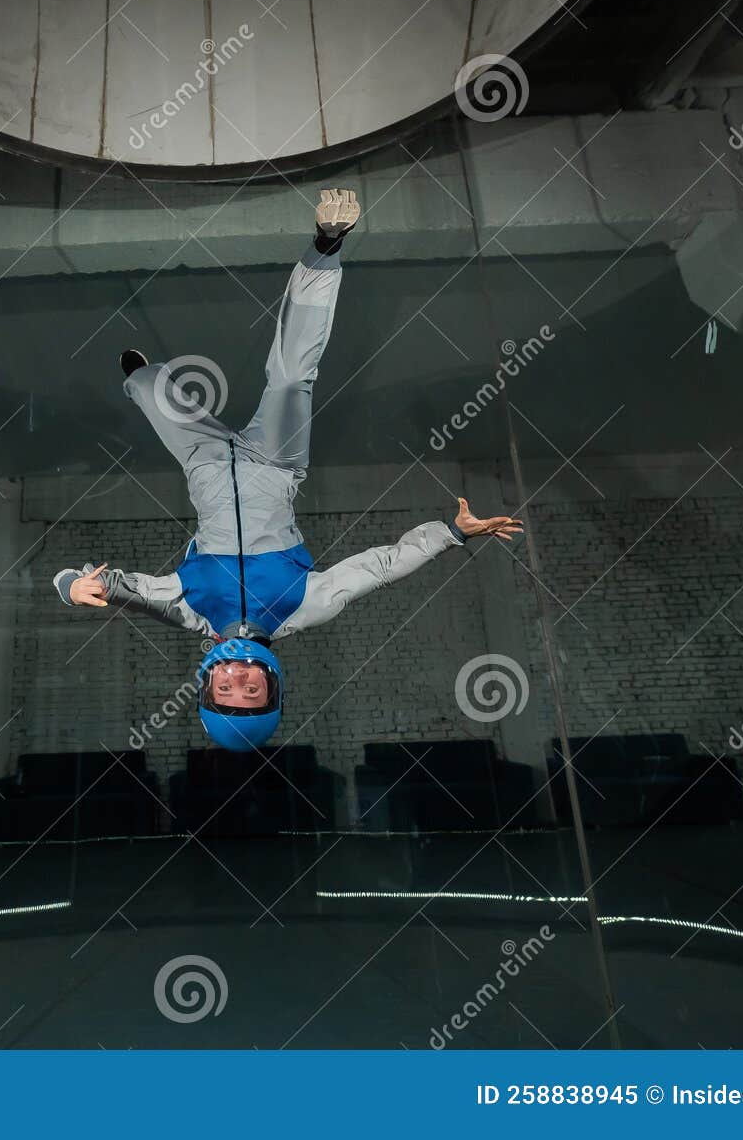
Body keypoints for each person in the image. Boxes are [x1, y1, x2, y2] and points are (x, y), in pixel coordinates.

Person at [52, 189, 524, 752]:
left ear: (206, 684)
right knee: (293, 377)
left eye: (226, 690)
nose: (239, 680)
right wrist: (449, 535)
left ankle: (141, 378)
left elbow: (118, 588)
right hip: (277, 462)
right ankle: (326, 247)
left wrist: (71, 587)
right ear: (272, 685)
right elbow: (379, 568)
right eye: (251, 693)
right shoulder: (305, 607)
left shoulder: (186, 613)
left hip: (202, 463)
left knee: (150, 389)